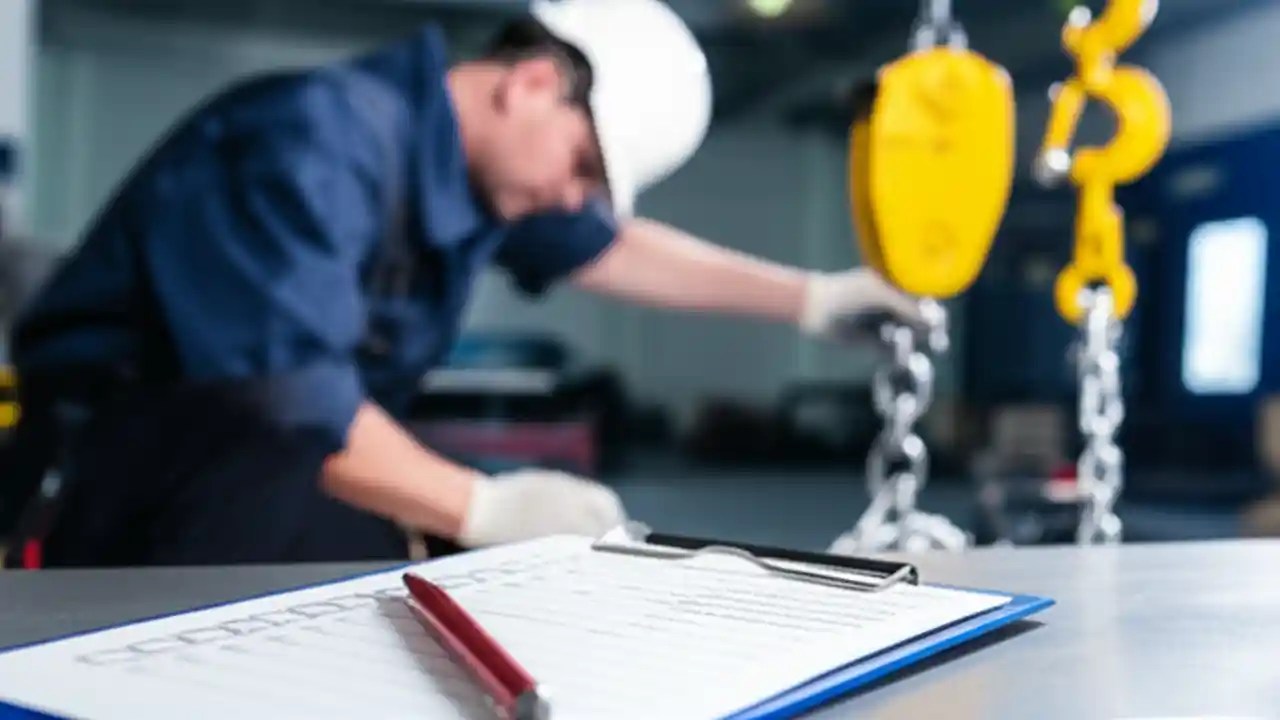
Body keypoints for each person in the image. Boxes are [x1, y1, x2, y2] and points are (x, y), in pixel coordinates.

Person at [2, 0, 922, 567]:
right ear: (529, 82)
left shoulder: (476, 175)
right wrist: (483, 508)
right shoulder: (315, 145)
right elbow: (286, 401)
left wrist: (813, 298)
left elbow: (611, 248)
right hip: (119, 479)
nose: (576, 198)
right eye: (582, 166)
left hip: (264, 463)